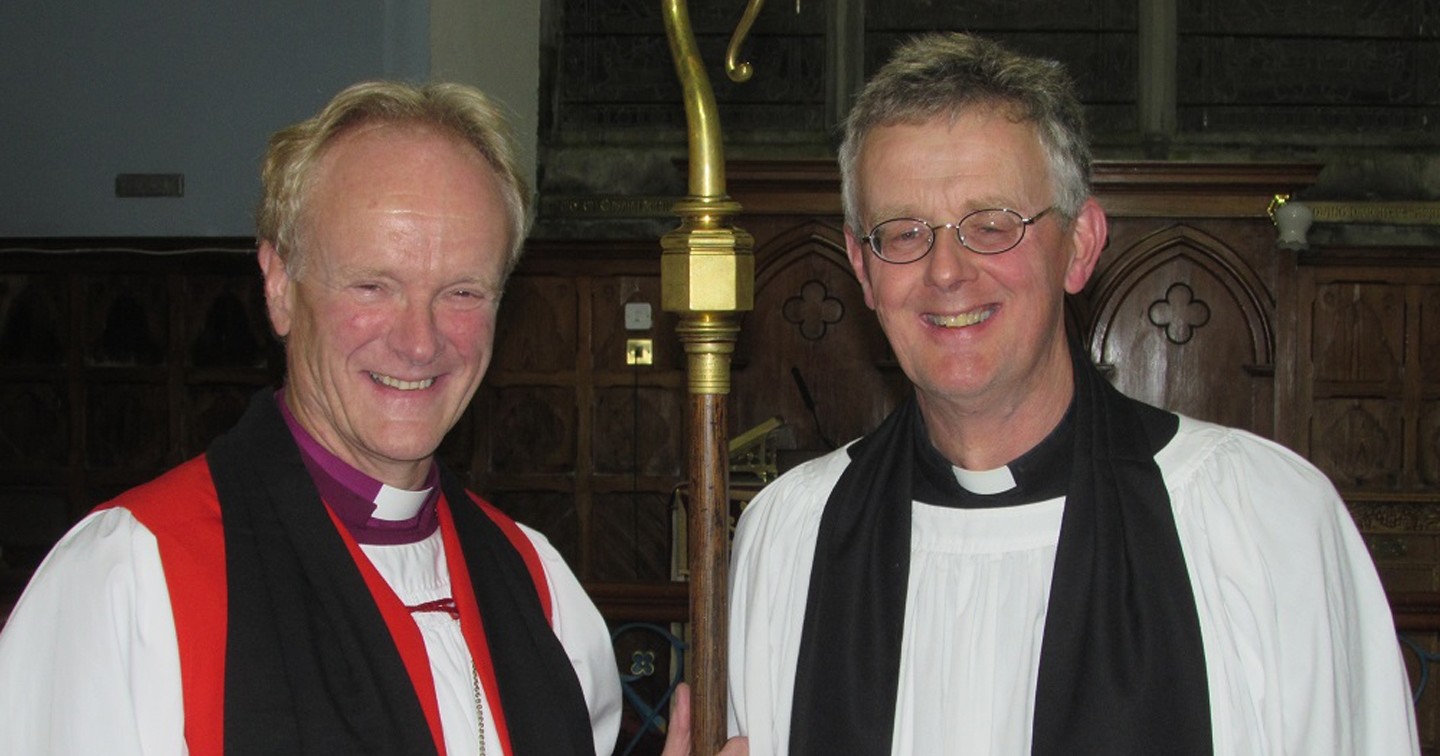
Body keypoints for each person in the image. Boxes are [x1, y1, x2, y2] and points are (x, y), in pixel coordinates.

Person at [726, 33, 1419, 755]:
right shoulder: (793, 537)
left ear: (1080, 244)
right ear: (861, 268)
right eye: (902, 233)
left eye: (991, 225)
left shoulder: (1258, 524)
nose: (945, 272)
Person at [0, 80, 733, 756]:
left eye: (462, 293)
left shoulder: (538, 585)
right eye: (373, 285)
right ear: (280, 285)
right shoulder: (130, 582)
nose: (419, 341)